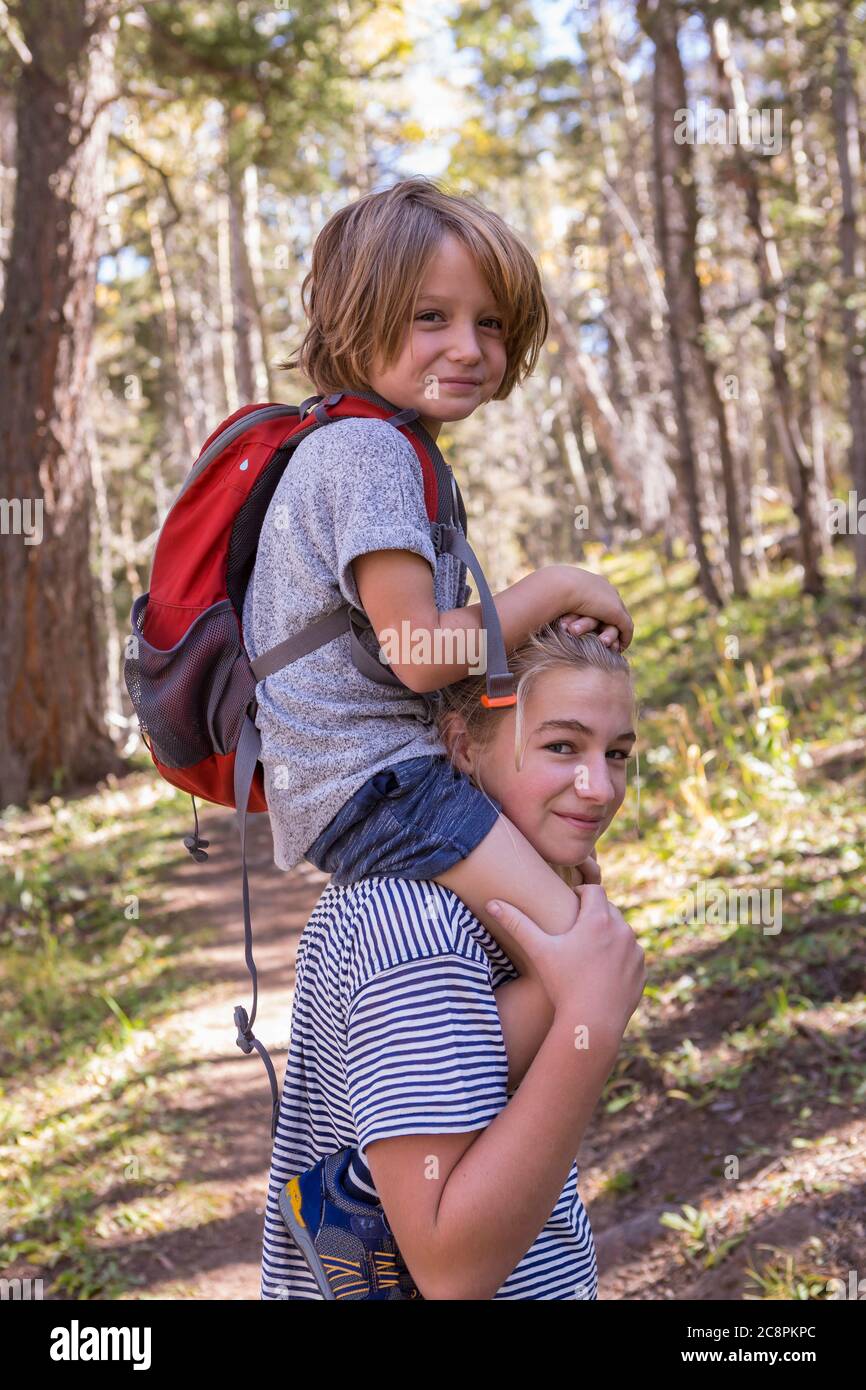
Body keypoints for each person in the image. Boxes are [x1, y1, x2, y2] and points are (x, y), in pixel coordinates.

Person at [241, 176, 635, 974]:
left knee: (544, 949)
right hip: (372, 780)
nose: (468, 347)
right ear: (356, 319)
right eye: (431, 317)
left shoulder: (376, 444)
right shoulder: (371, 452)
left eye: (490, 322)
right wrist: (557, 587)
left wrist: (540, 634)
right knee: (587, 954)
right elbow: (420, 654)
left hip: (372, 774)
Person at [260, 624, 646, 1300]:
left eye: (616, 754)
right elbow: (450, 1268)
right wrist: (593, 1020)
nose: (599, 788)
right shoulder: (415, 922)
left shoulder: (498, 908)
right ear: (464, 747)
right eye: (561, 746)